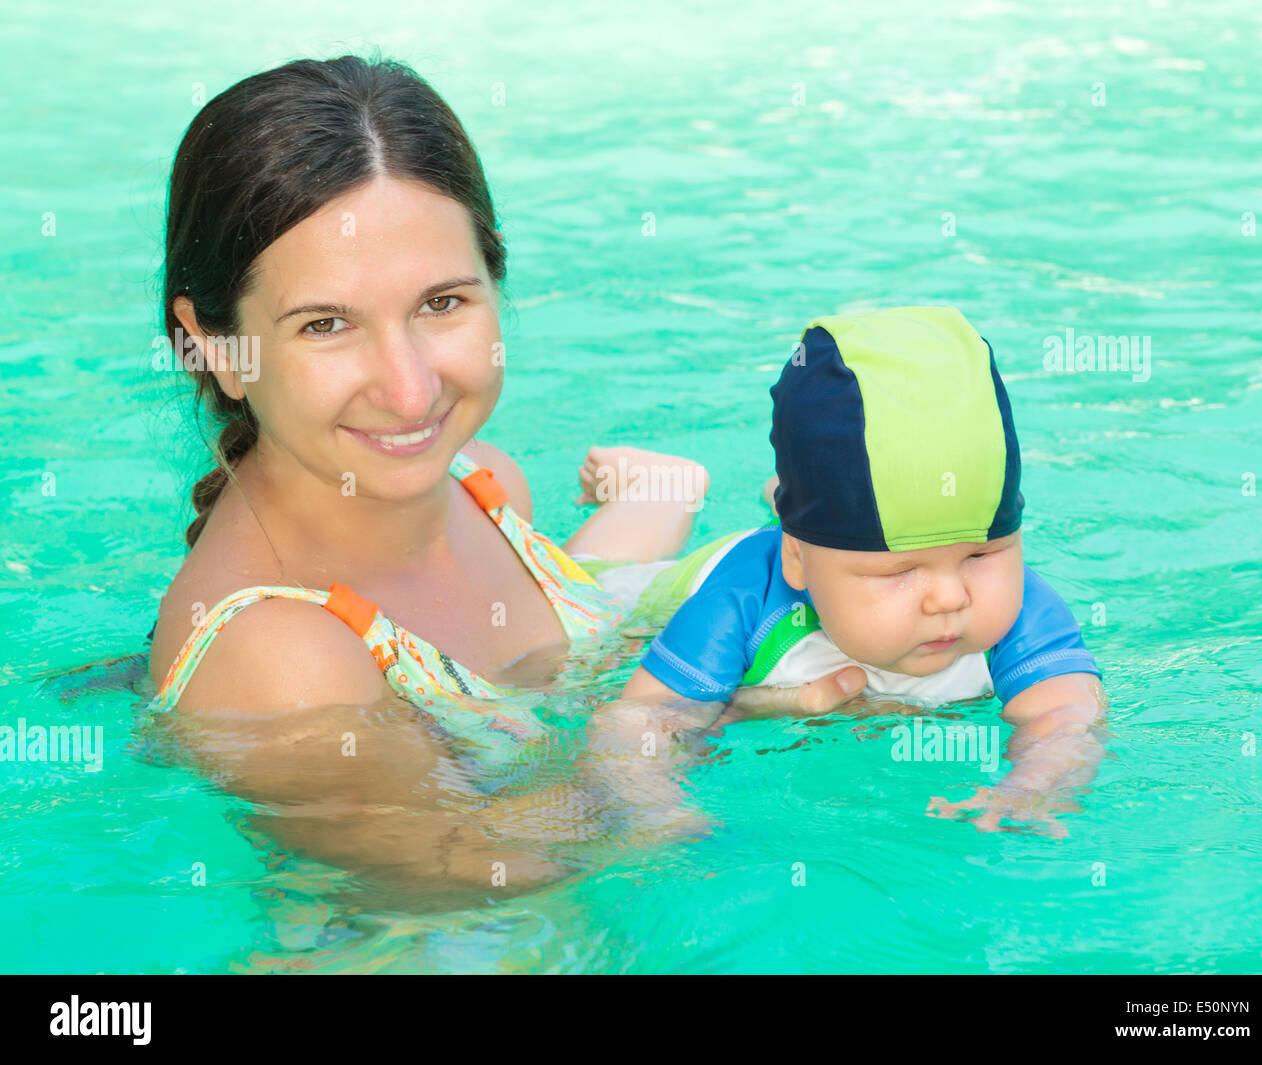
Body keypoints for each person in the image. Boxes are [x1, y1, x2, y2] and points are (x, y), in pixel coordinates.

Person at [145, 53, 860, 904]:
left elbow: (569, 645)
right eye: (327, 324)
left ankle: (660, 491)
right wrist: (697, 720)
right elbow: (479, 878)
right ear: (216, 347)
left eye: (441, 303)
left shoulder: (483, 483)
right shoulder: (281, 659)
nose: (410, 389)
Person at [596, 307, 1109, 837]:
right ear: (797, 560)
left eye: (980, 555)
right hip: (652, 591)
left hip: (812, 535)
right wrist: (653, 803)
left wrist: (1035, 784)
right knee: (589, 588)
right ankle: (661, 485)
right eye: (899, 571)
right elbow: (640, 722)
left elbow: (1067, 717)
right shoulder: (741, 603)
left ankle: (788, 496)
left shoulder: (1018, 602)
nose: (950, 597)